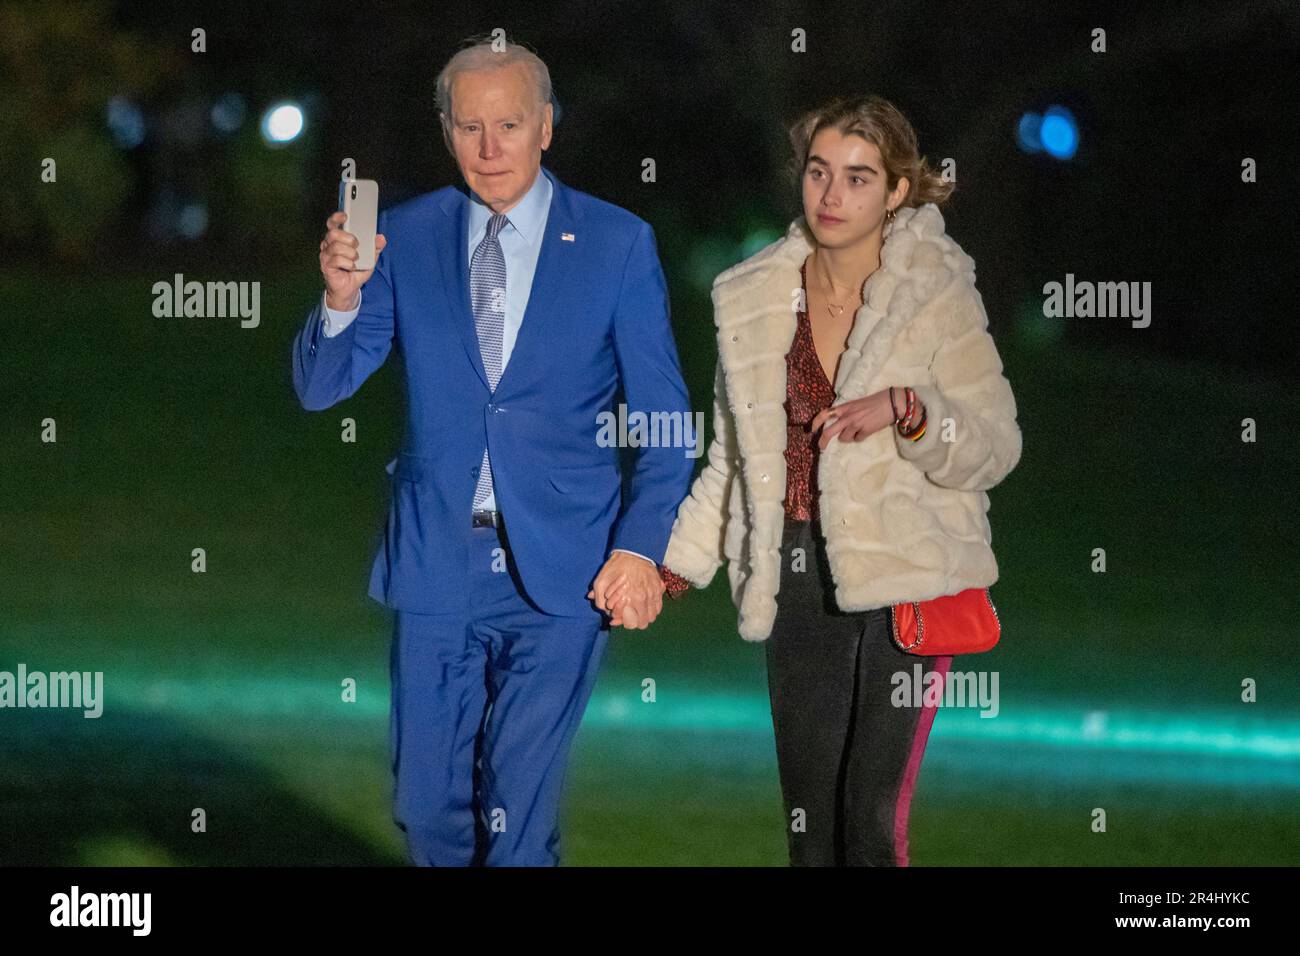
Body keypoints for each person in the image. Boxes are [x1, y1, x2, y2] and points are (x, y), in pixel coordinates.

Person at [291, 36, 693, 866]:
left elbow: (665, 421)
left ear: (546, 126)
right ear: (446, 131)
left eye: (508, 124)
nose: (488, 148)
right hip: (438, 558)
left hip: (567, 567)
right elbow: (321, 386)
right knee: (426, 809)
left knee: (518, 813)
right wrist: (339, 297)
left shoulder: (618, 244)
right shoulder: (402, 237)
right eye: (469, 127)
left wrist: (640, 547)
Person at [630, 94, 1022, 865]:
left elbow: (994, 445)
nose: (833, 196)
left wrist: (910, 410)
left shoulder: (938, 295)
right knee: (810, 830)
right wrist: (666, 571)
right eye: (819, 173)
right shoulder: (753, 299)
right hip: (796, 576)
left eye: (858, 178)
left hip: (906, 578)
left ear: (898, 191)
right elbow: (734, 464)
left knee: (869, 820)